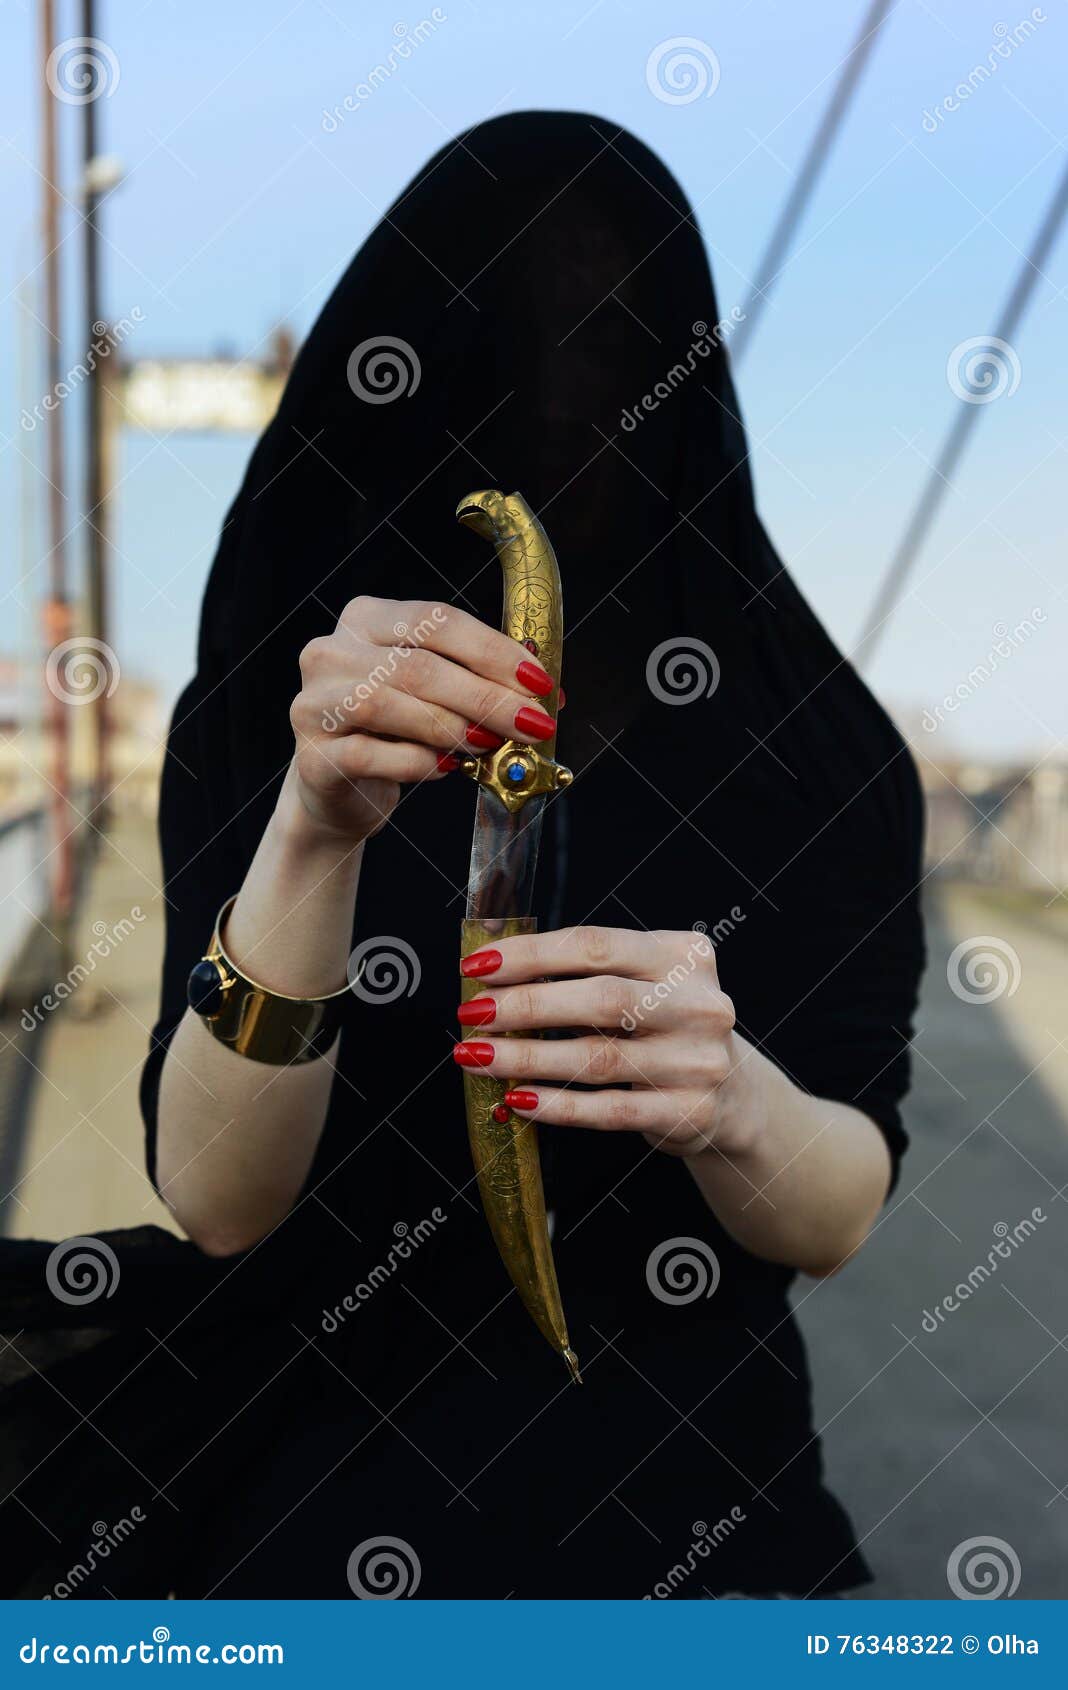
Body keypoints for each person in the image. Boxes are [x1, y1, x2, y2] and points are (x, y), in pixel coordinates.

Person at [1, 111, 924, 1600]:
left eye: (614, 350)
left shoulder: (816, 750)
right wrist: (312, 827)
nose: (563, 404)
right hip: (310, 1465)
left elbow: (841, 1209)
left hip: (696, 1496)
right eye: (499, 343)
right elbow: (222, 1197)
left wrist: (733, 1098)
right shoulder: (277, 708)